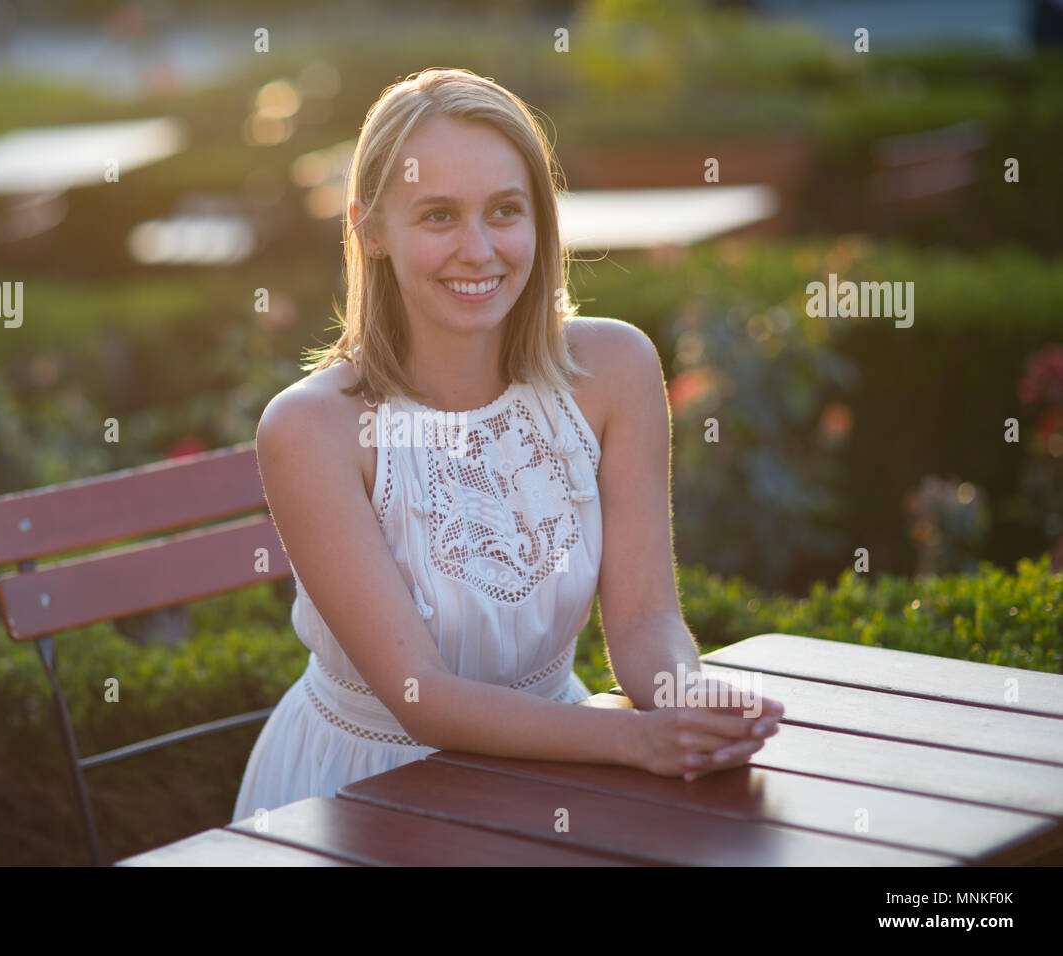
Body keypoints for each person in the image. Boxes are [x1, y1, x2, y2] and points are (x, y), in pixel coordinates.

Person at [232, 68, 782, 824]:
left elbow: (645, 625)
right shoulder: (311, 429)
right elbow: (424, 700)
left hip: (560, 759)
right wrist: (638, 741)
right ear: (371, 229)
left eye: (504, 211)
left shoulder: (615, 370)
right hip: (368, 787)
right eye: (438, 216)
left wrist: (693, 707)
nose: (480, 249)